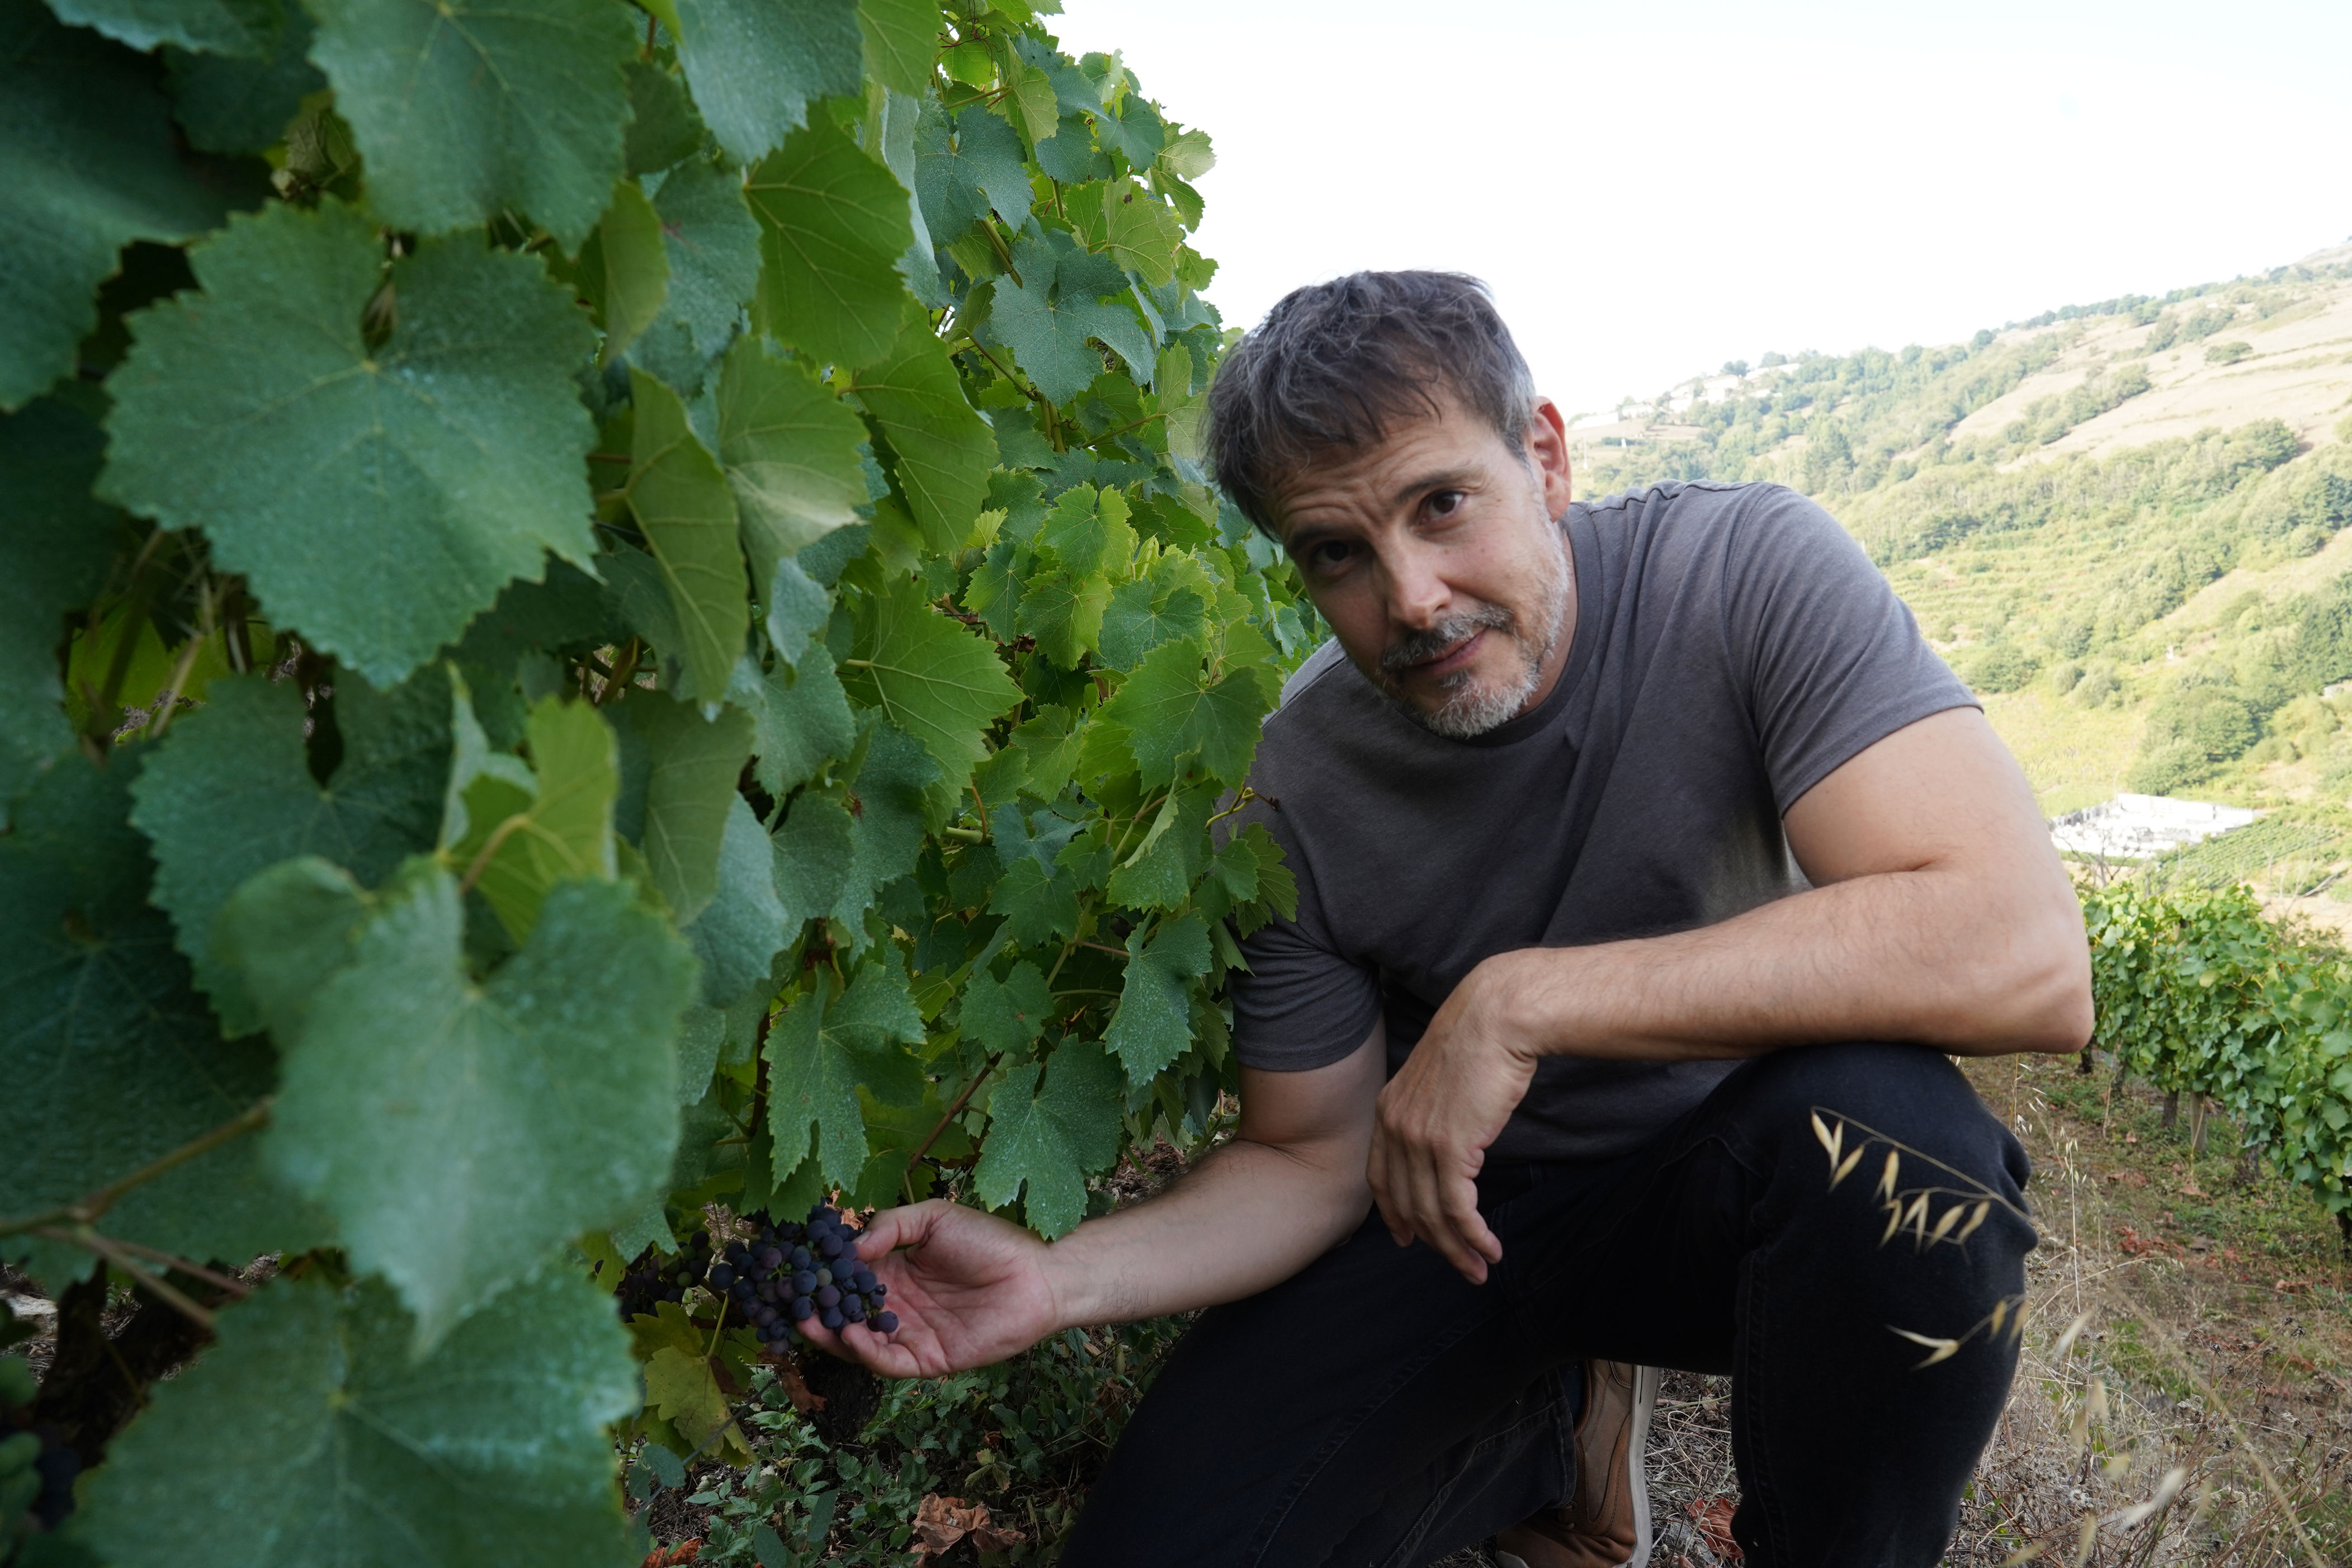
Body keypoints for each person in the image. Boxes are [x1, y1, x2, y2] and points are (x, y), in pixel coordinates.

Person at [807, 272, 2092, 1567]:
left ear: (1545, 457)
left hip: (1734, 1211)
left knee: (1899, 1143)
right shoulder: (1291, 788)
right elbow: (1309, 1159)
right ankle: (1547, 1427)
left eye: (1441, 505)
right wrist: (1060, 1277)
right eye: (1338, 553)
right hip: (1455, 1221)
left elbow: (2025, 951)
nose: (1413, 597)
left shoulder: (1741, 572)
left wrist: (1520, 1002)